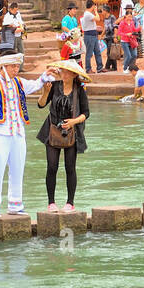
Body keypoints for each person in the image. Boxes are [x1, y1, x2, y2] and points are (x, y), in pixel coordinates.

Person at [0, 44, 54, 218]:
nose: (16, 69)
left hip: (18, 131)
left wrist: (47, 75)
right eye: (13, 66)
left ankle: (15, 204)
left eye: (17, 66)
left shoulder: (19, 82)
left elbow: (34, 85)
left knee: (18, 168)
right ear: (4, 65)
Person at [37, 57, 90, 213]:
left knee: (70, 168)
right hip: (52, 130)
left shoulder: (79, 90)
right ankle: (51, 202)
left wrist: (73, 122)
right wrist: (45, 92)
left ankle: (70, 202)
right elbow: (41, 105)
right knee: (52, 167)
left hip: (72, 132)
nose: (65, 74)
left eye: (69, 72)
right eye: (63, 71)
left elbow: (86, 113)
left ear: (74, 75)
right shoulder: (53, 86)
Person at [79, 0, 102, 75]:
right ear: (92, 6)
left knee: (97, 52)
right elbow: (98, 19)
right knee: (89, 53)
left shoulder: (88, 14)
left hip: (93, 35)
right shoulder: (88, 14)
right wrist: (96, 11)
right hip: (89, 36)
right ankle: (88, 69)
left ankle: (100, 67)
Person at [117, 5, 140, 72]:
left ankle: (130, 67)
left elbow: (134, 30)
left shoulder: (132, 22)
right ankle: (125, 67)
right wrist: (126, 34)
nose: (130, 18)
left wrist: (139, 28)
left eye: (131, 17)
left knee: (134, 55)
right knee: (128, 55)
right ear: (125, 16)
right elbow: (119, 33)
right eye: (129, 16)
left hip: (131, 40)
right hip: (124, 41)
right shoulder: (122, 23)